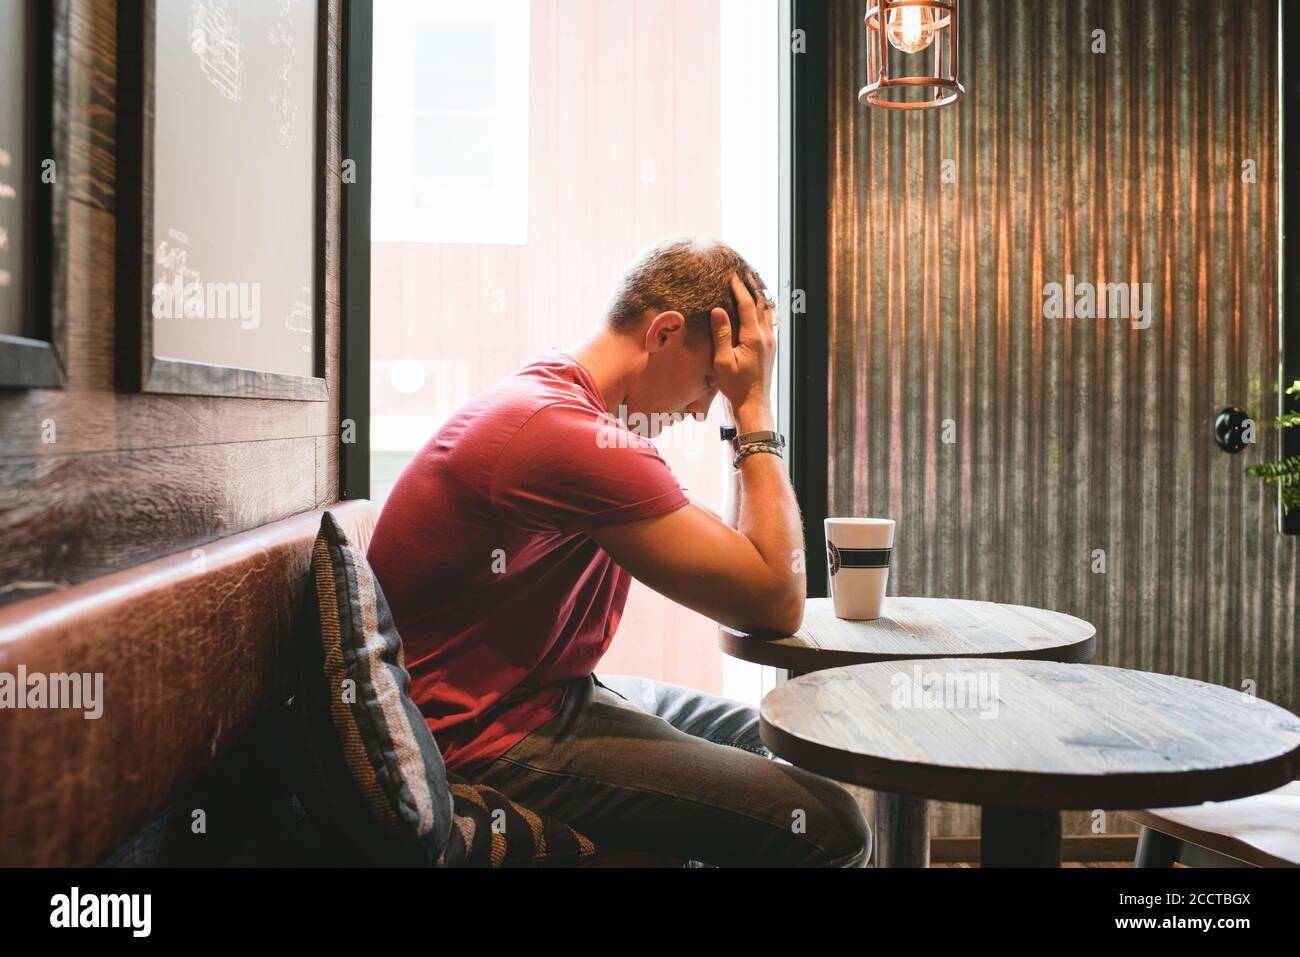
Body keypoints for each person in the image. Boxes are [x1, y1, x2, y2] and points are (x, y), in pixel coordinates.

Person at [367, 239, 870, 866]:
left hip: (543, 696)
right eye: (711, 381)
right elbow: (773, 599)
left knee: (775, 740)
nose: (698, 409)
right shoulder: (566, 434)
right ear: (663, 333)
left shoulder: (566, 405)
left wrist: (739, 412)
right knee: (830, 826)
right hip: (477, 734)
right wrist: (753, 412)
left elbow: (742, 557)